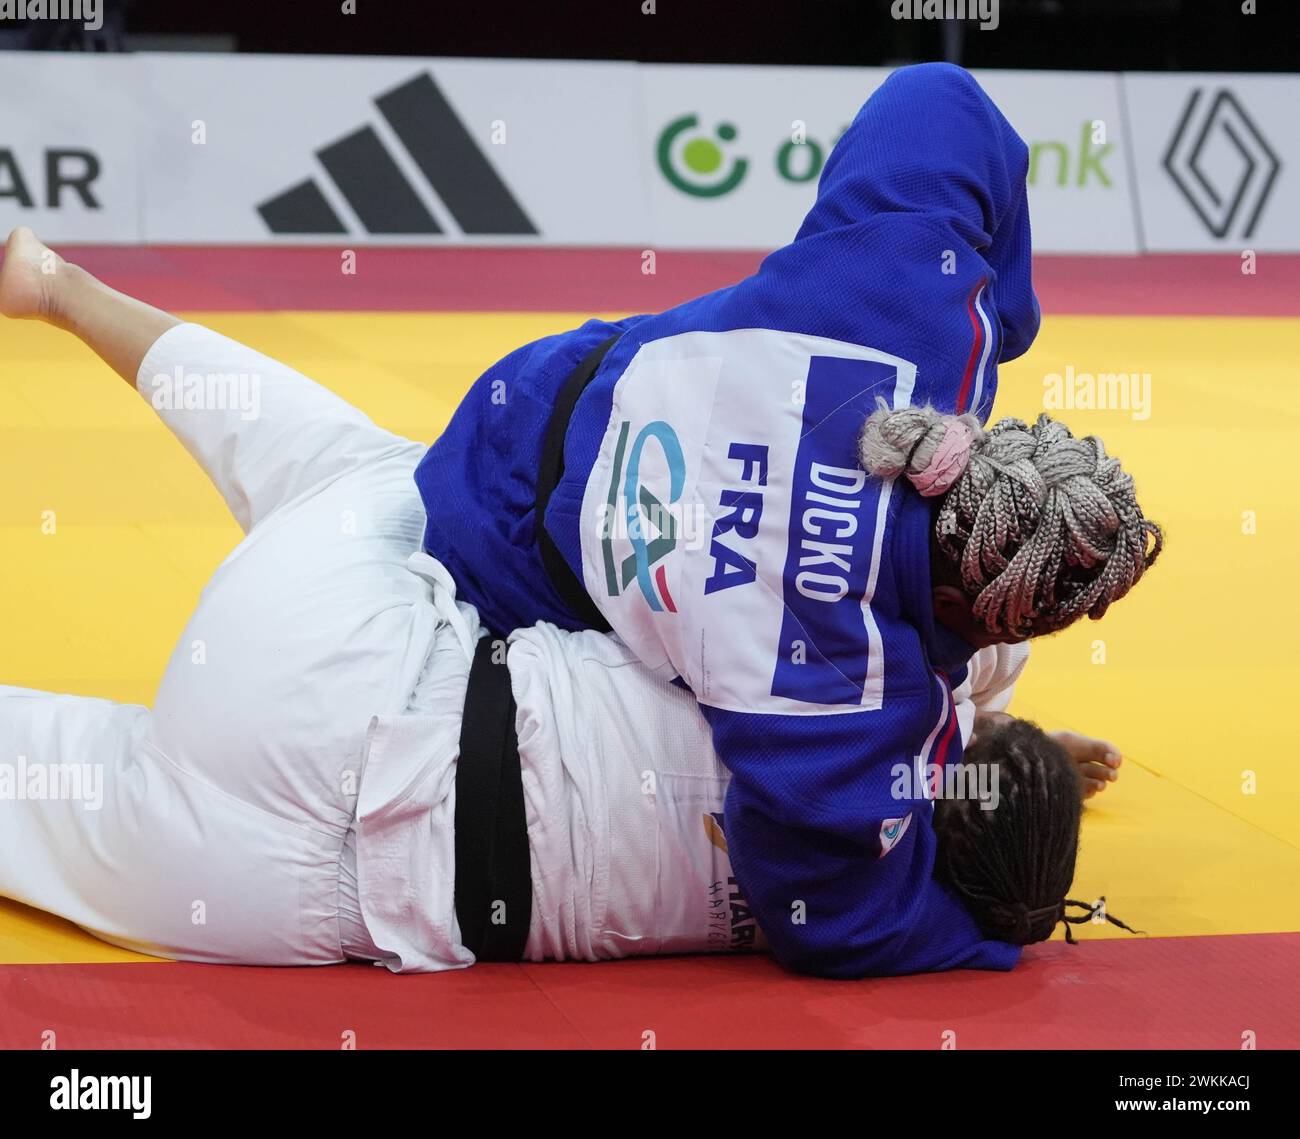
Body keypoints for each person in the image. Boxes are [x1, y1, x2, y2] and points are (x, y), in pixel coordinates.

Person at [0, 225, 1110, 970]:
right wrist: (1010, 830)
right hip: (301, 889)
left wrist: (1018, 750)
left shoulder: (865, 660)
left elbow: (945, 702)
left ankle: (54, 286)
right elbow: (950, 863)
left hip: (358, 648)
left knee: (360, 466)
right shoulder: (864, 913)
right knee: (41, 785)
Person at [408, 64, 1163, 975]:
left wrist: (997, 318)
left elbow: (939, 97)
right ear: (980, 608)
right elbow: (836, 921)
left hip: (534, 382)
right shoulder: (845, 695)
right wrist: (998, 932)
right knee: (708, 733)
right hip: (486, 546)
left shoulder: (909, 314)